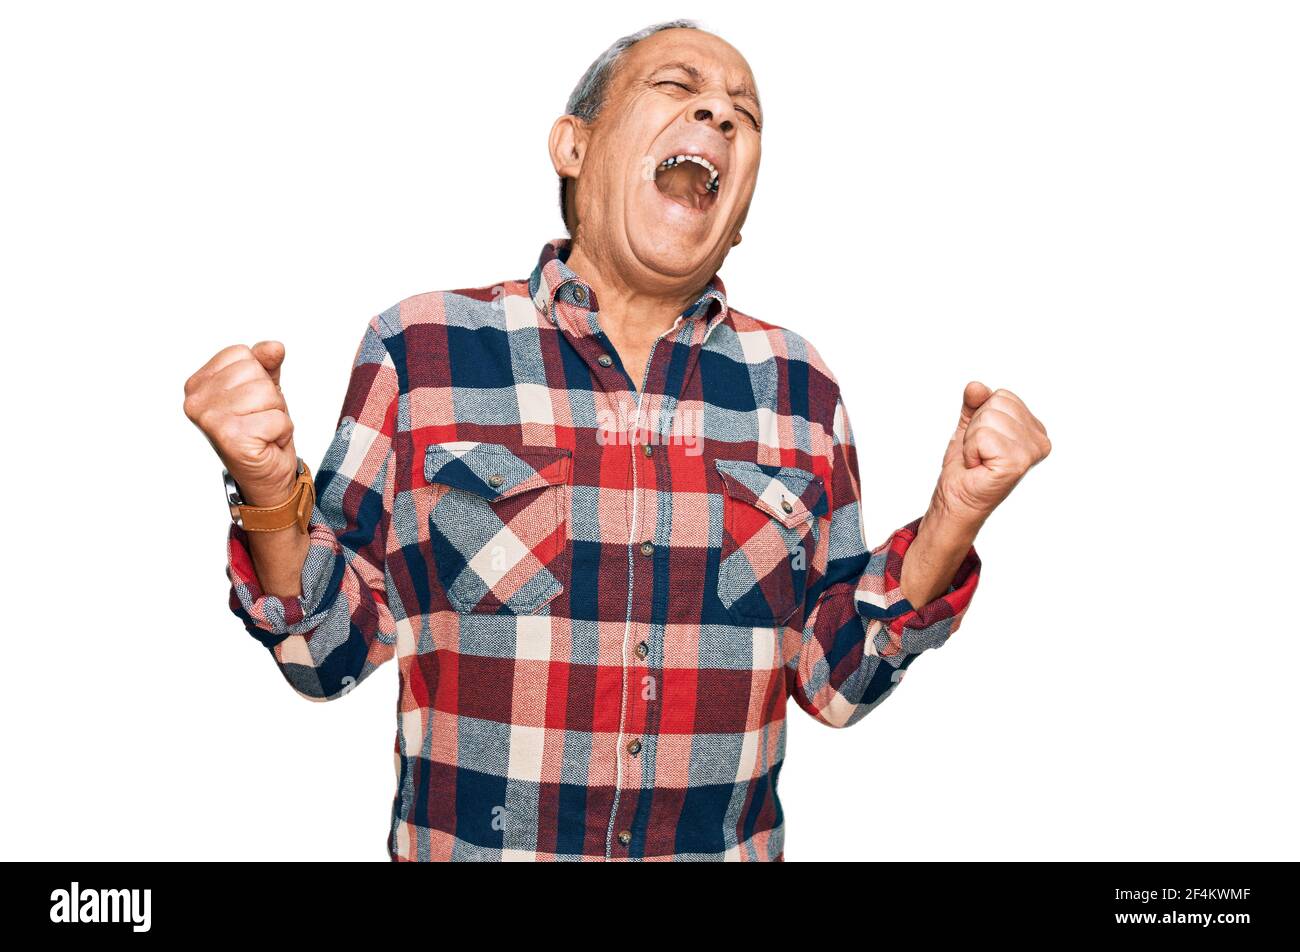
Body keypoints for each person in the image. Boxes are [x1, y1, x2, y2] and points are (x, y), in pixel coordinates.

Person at [183, 20, 1051, 861]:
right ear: (573, 146)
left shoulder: (800, 386)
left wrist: (954, 516)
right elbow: (327, 654)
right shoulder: (420, 351)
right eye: (679, 88)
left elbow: (835, 677)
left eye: (743, 115)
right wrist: (267, 489)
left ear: (740, 210)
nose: (718, 116)